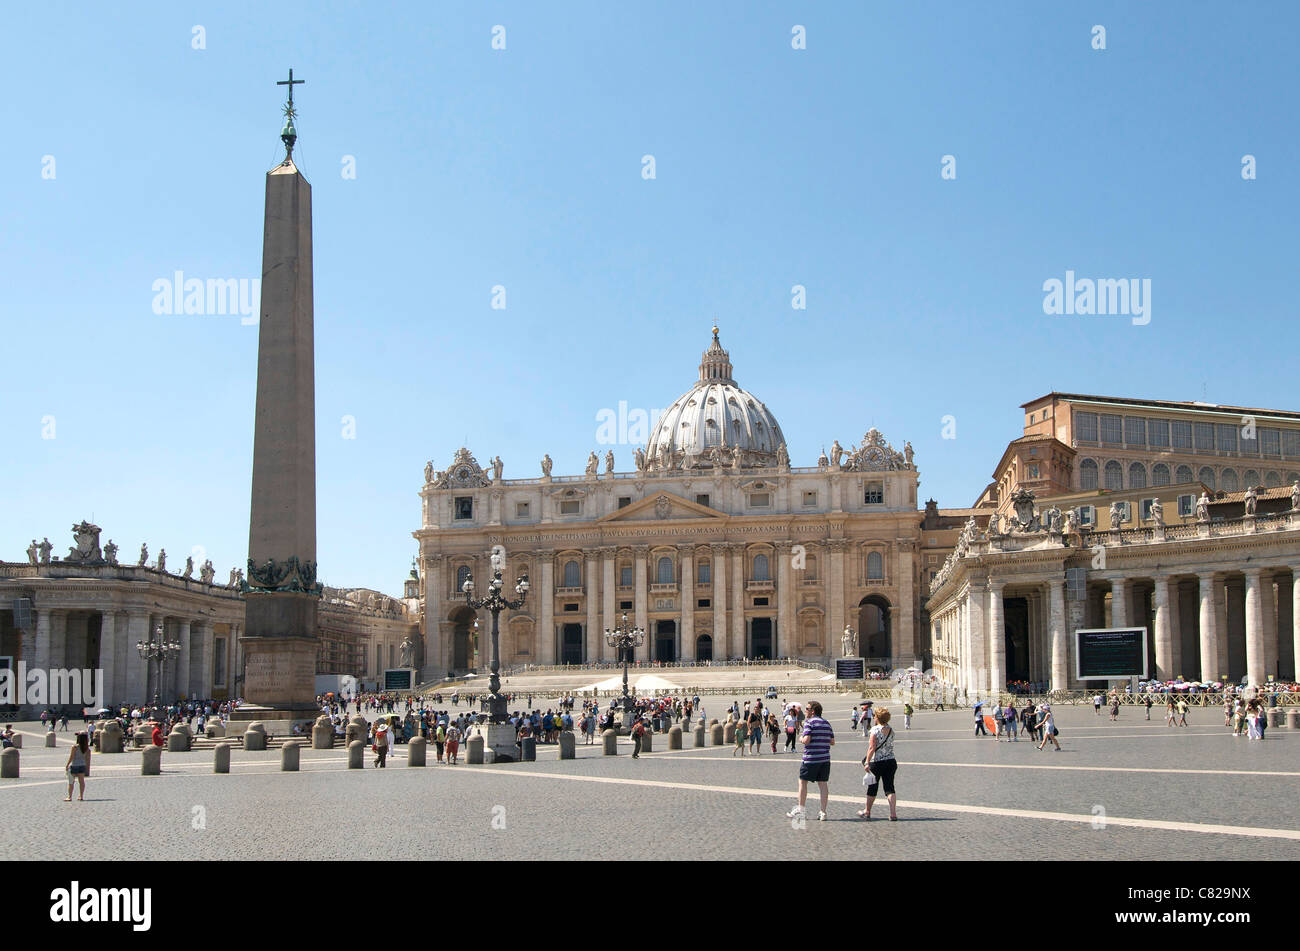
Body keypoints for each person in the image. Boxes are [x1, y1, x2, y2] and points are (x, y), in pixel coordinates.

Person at [787, 700, 834, 822]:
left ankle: (801, 810)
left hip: (811, 759)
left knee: (802, 782)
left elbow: (807, 740)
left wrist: (801, 739)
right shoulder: (827, 723)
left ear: (812, 711)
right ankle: (823, 812)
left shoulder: (809, 723)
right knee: (823, 784)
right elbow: (832, 742)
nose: (805, 711)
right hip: (824, 759)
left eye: (807, 709)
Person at [859, 707, 898, 821]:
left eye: (875, 716)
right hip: (891, 761)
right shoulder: (891, 729)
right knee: (890, 788)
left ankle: (867, 811)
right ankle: (893, 814)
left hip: (877, 762)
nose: (874, 717)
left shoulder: (875, 730)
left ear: (877, 718)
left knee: (872, 788)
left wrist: (867, 762)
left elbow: (872, 747)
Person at [64, 732, 91, 802]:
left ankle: (69, 797)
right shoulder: (86, 747)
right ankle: (81, 796)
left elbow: (71, 757)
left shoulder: (75, 747)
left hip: (74, 765)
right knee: (81, 781)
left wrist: (67, 765)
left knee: (71, 782)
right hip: (82, 765)